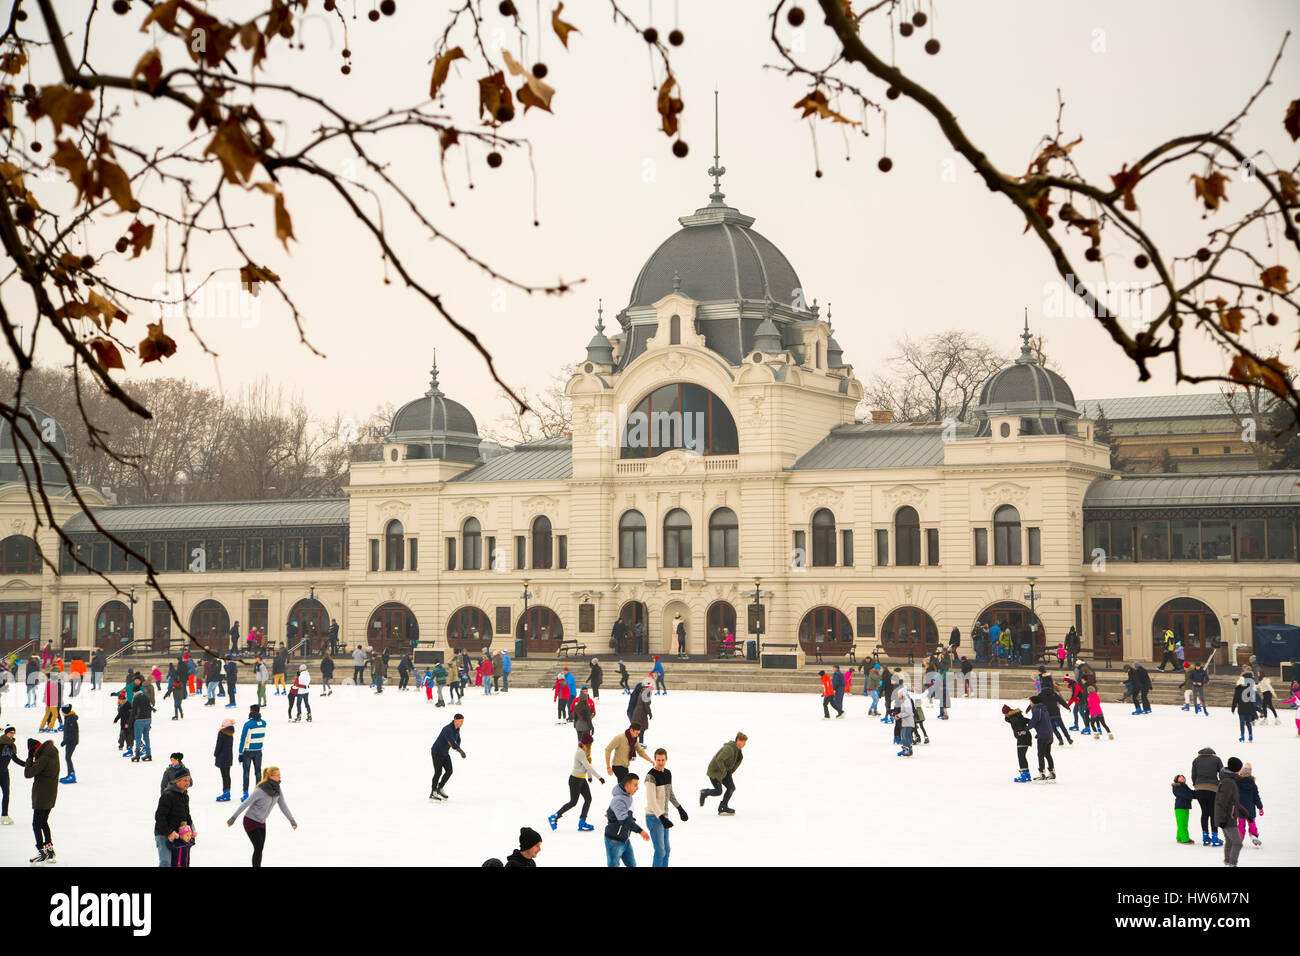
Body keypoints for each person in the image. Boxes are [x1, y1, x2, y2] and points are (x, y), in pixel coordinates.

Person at [227, 766, 297, 867]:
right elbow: (246, 803)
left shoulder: (277, 789)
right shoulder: (261, 789)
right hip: (250, 821)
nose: (280, 777)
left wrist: (292, 820)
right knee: (258, 847)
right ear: (271, 776)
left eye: (279, 775)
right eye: (278, 775)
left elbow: (283, 805)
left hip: (261, 822)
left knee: (260, 848)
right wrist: (233, 818)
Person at [549, 731, 605, 832]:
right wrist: (599, 777)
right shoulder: (580, 752)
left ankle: (582, 822)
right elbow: (588, 766)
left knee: (588, 799)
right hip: (575, 780)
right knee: (573, 802)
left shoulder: (584, 751)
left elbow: (586, 766)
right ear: (586, 743)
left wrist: (589, 777)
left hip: (581, 780)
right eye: (590, 744)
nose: (591, 746)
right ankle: (554, 816)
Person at [643, 748, 686, 867]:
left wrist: (680, 808)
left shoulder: (667, 773)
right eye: (658, 760)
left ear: (666, 759)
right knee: (660, 851)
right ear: (655, 760)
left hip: (664, 818)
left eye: (662, 760)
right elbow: (651, 801)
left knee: (666, 850)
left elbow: (670, 793)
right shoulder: (650, 776)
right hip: (654, 817)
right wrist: (661, 818)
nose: (660, 762)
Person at [604, 773, 650, 867]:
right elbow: (624, 820)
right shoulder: (618, 800)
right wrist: (640, 831)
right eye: (635, 785)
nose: (637, 788)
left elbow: (628, 816)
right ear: (628, 785)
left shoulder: (628, 796)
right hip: (614, 842)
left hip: (625, 840)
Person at [25, 737, 59, 864]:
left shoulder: (44, 758)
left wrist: (29, 759)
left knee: (36, 824)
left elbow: (28, 773)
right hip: (51, 793)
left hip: (42, 795)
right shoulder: (52, 753)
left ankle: (41, 851)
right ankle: (49, 849)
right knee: (43, 821)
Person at [154, 767, 194, 868]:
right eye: (185, 780)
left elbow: (186, 815)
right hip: (163, 834)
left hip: (177, 834)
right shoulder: (167, 795)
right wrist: (169, 832)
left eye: (189, 780)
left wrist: (191, 829)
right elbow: (159, 817)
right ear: (177, 781)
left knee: (178, 862)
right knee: (166, 862)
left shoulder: (184, 795)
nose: (187, 783)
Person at [699, 732, 746, 814]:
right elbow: (719, 759)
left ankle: (723, 806)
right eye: (743, 742)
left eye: (745, 742)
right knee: (718, 791)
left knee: (731, 787)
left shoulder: (738, 751)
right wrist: (724, 771)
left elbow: (734, 764)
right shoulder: (729, 749)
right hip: (715, 771)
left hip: (724, 772)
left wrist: (728, 773)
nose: (744, 744)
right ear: (738, 740)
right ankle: (704, 792)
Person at [1214, 757, 1248, 867]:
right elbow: (1222, 801)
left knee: (1229, 841)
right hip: (1228, 818)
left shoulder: (1229, 780)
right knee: (1237, 843)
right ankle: (1232, 863)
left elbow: (1233, 801)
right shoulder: (1229, 782)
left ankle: (1228, 862)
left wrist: (1244, 812)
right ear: (1236, 769)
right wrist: (1223, 819)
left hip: (1228, 816)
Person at [1191, 746, 1224, 847]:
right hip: (1213, 789)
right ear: (1213, 753)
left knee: (1204, 812)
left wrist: (1195, 785)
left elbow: (1193, 775)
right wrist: (1220, 784)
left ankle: (1205, 836)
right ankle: (1214, 837)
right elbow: (1222, 773)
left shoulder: (1196, 760)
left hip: (1199, 789)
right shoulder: (1217, 759)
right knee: (1213, 812)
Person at [429, 714, 466, 801]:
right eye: (460, 721)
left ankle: (439, 787)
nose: (462, 723)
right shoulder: (448, 729)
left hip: (445, 753)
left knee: (449, 771)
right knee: (438, 772)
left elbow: (458, 739)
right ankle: (433, 792)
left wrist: (459, 744)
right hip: (437, 752)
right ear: (455, 720)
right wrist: (460, 751)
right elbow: (452, 743)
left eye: (462, 721)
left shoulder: (457, 728)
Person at [238, 705, 267, 802]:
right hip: (258, 750)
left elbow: (243, 738)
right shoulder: (263, 723)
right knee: (258, 772)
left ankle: (245, 794)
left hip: (248, 751)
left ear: (251, 711)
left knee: (246, 772)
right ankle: (258, 793)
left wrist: (240, 752)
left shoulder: (248, 724)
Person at [1235, 762, 1263, 848]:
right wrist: (1260, 807)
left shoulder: (1237, 783)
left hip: (1240, 809)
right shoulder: (1253, 784)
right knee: (1252, 823)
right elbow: (1256, 797)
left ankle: (1239, 839)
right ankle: (1254, 835)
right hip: (1250, 809)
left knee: (1241, 825)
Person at [1028, 695, 1055, 780]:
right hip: (1049, 734)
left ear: (1034, 702)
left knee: (1040, 754)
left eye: (1030, 701)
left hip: (1043, 736)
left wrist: (1024, 729)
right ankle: (1052, 772)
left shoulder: (1037, 709)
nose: (1030, 703)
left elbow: (1034, 722)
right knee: (1047, 754)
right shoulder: (1043, 708)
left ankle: (1042, 773)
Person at [1003, 703, 1032, 782]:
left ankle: (1024, 775)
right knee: (1022, 756)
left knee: (1021, 756)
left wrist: (1020, 732)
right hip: (1026, 737)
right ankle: (1027, 774)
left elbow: (1019, 727)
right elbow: (1026, 721)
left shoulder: (1013, 718)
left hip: (1022, 738)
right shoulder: (1017, 716)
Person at [0, 726, 21, 825]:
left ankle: (4, 815)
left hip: (4, 773)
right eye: (11, 732)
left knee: (6, 794)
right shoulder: (0, 743)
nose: (12, 735)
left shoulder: (11, 746)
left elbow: (15, 759)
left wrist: (28, 764)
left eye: (14, 733)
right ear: (6, 733)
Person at [130, 676, 155, 762]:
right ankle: (148, 754)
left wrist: (131, 722)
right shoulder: (146, 697)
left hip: (139, 720)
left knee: (138, 738)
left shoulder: (136, 698)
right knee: (146, 737)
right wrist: (150, 721)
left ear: (134, 691)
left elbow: (133, 711)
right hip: (148, 719)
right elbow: (150, 708)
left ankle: (137, 755)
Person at [1231, 675, 1258, 742]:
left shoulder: (1237, 690)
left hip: (1241, 709)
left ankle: (1242, 736)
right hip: (1248, 708)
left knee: (1242, 723)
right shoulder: (1248, 689)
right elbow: (1252, 701)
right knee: (1248, 723)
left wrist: (1233, 708)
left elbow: (1235, 700)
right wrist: (1253, 710)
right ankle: (1250, 736)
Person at [1171, 774, 1196, 845]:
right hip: (1180, 808)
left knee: (1183, 823)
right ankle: (1185, 839)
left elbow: (1190, 792)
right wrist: (1194, 796)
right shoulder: (1176, 786)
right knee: (1182, 824)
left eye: (1183, 778)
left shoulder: (1184, 786)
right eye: (1180, 778)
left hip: (1185, 807)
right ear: (1177, 780)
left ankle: (1179, 837)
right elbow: (1185, 794)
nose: (1183, 779)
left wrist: (1197, 793)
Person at [214, 718, 235, 801]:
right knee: (227, 775)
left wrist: (215, 754)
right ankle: (227, 792)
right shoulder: (231, 733)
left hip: (222, 757)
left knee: (224, 776)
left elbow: (218, 745)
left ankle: (226, 794)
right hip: (229, 757)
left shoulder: (222, 733)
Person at [57, 706, 77, 785]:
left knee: (68, 757)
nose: (61, 713)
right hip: (70, 741)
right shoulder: (68, 718)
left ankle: (72, 775)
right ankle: (70, 774)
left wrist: (64, 742)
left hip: (71, 742)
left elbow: (71, 733)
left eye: (62, 712)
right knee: (67, 757)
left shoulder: (70, 719)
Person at [895, 686, 915, 757]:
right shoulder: (904, 701)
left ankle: (908, 750)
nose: (898, 696)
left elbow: (908, 712)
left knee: (905, 736)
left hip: (908, 722)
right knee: (904, 735)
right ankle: (906, 749)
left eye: (899, 694)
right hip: (905, 722)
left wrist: (898, 715)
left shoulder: (906, 701)